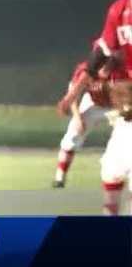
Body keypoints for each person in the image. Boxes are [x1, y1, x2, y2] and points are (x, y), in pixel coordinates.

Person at [57, 0, 132, 213]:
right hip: (129, 116)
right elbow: (100, 54)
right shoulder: (119, 10)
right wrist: (72, 94)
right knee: (112, 171)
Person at [51, 58, 115, 188]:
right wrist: (78, 118)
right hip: (93, 103)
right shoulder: (86, 69)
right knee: (73, 133)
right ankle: (59, 178)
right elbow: (73, 93)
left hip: (117, 106)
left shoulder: (124, 66)